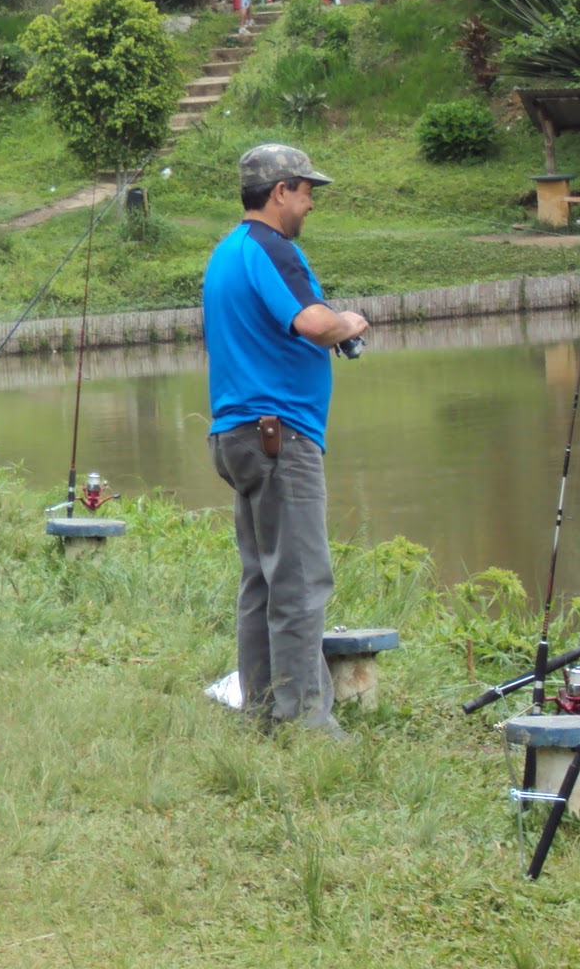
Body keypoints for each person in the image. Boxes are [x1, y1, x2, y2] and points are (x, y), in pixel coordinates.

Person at [202, 144, 369, 736]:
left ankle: (262, 711)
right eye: (305, 191)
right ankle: (304, 725)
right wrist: (348, 323)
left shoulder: (226, 253)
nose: (310, 204)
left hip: (238, 436)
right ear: (280, 191)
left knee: (262, 579)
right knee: (299, 579)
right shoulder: (272, 248)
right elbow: (313, 323)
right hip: (278, 437)